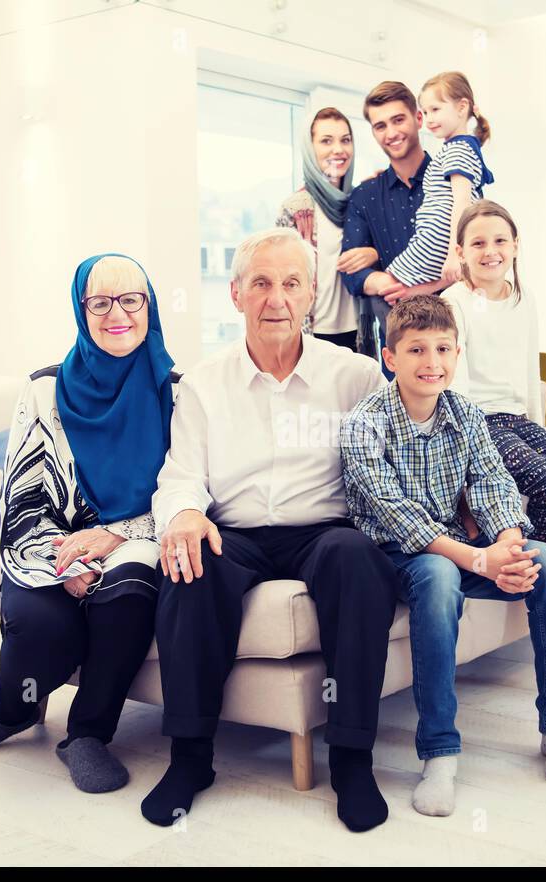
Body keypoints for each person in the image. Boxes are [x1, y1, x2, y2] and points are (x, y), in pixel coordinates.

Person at [142, 227, 398, 833]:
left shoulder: (357, 376)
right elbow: (180, 474)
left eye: (291, 284)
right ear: (235, 295)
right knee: (189, 566)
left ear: (311, 294)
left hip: (324, 529)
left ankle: (353, 760)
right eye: (261, 283)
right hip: (237, 530)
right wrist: (182, 514)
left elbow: (395, 458)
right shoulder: (203, 383)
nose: (275, 299)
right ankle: (190, 758)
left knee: (357, 560)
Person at [0, 254, 174, 794]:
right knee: (43, 620)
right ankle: (10, 710)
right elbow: (19, 497)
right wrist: (63, 556)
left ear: (149, 306)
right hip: (54, 545)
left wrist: (116, 537)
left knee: (130, 591)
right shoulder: (44, 389)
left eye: (131, 299)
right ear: (80, 309)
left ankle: (87, 734)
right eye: (100, 301)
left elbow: (189, 491)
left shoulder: (174, 391)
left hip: (138, 539)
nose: (118, 314)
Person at [340, 295, 546, 819]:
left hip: (467, 548)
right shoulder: (365, 424)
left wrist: (509, 549)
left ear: (457, 354)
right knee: (438, 578)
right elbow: (399, 517)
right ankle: (440, 754)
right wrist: (480, 562)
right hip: (401, 556)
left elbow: (494, 483)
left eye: (443, 349)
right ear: (390, 358)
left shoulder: (466, 414)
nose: (432, 362)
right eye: (417, 350)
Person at [445, 200, 546, 652]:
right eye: (477, 243)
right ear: (461, 252)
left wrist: (541, 432)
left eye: (500, 240)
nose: (490, 250)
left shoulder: (524, 299)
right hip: (479, 423)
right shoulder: (454, 304)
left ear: (515, 247)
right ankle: (545, 607)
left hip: (517, 421)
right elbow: (453, 392)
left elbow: (528, 373)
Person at [338, 81, 448, 375]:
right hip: (398, 351)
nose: (391, 133)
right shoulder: (365, 196)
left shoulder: (454, 181)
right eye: (380, 125)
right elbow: (352, 273)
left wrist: (420, 288)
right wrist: (392, 285)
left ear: (418, 118)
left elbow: (474, 253)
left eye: (398, 120)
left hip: (455, 341)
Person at [382, 71, 494, 289]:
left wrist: (454, 253)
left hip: (435, 244)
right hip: (435, 242)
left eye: (435, 109)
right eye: (425, 111)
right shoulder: (461, 147)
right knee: (396, 295)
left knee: (385, 290)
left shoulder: (458, 149)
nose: (429, 118)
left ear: (462, 107)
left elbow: (462, 203)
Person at [275, 107, 362, 351]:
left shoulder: (362, 201)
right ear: (310, 148)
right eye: (326, 141)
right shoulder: (294, 208)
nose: (338, 149)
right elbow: (281, 277)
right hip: (310, 335)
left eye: (345, 140)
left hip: (358, 334)